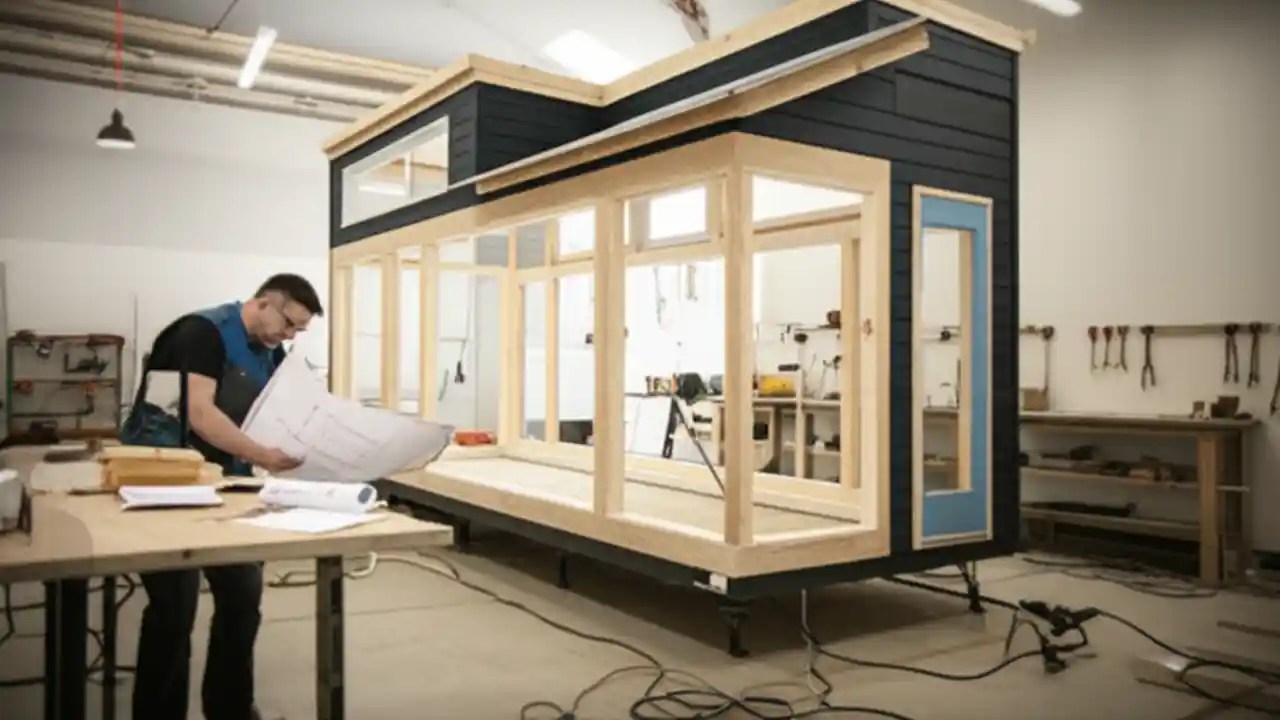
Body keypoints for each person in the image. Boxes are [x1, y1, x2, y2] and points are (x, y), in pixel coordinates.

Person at [121, 273, 323, 720]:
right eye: (289, 324)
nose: (289, 336)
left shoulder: (271, 352)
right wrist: (263, 454)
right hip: (165, 479)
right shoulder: (200, 332)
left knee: (242, 596)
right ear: (266, 303)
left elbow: (275, 412)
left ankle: (230, 708)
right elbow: (199, 412)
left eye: (299, 331)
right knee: (174, 610)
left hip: (225, 484)